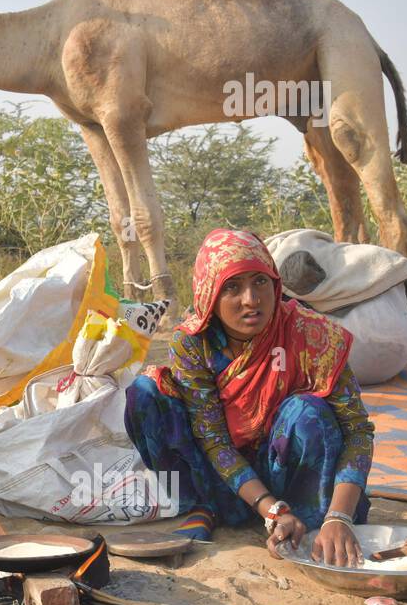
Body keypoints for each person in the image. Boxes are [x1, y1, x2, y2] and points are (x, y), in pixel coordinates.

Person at [124, 228, 375, 566]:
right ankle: (206, 505)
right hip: (221, 475)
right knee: (144, 394)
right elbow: (213, 441)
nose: (251, 300)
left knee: (307, 411)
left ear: (275, 284)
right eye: (232, 287)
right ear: (210, 294)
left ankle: (310, 520)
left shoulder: (312, 335)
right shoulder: (194, 343)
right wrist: (271, 509)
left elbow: (358, 431)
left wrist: (339, 517)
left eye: (260, 282)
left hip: (287, 472)